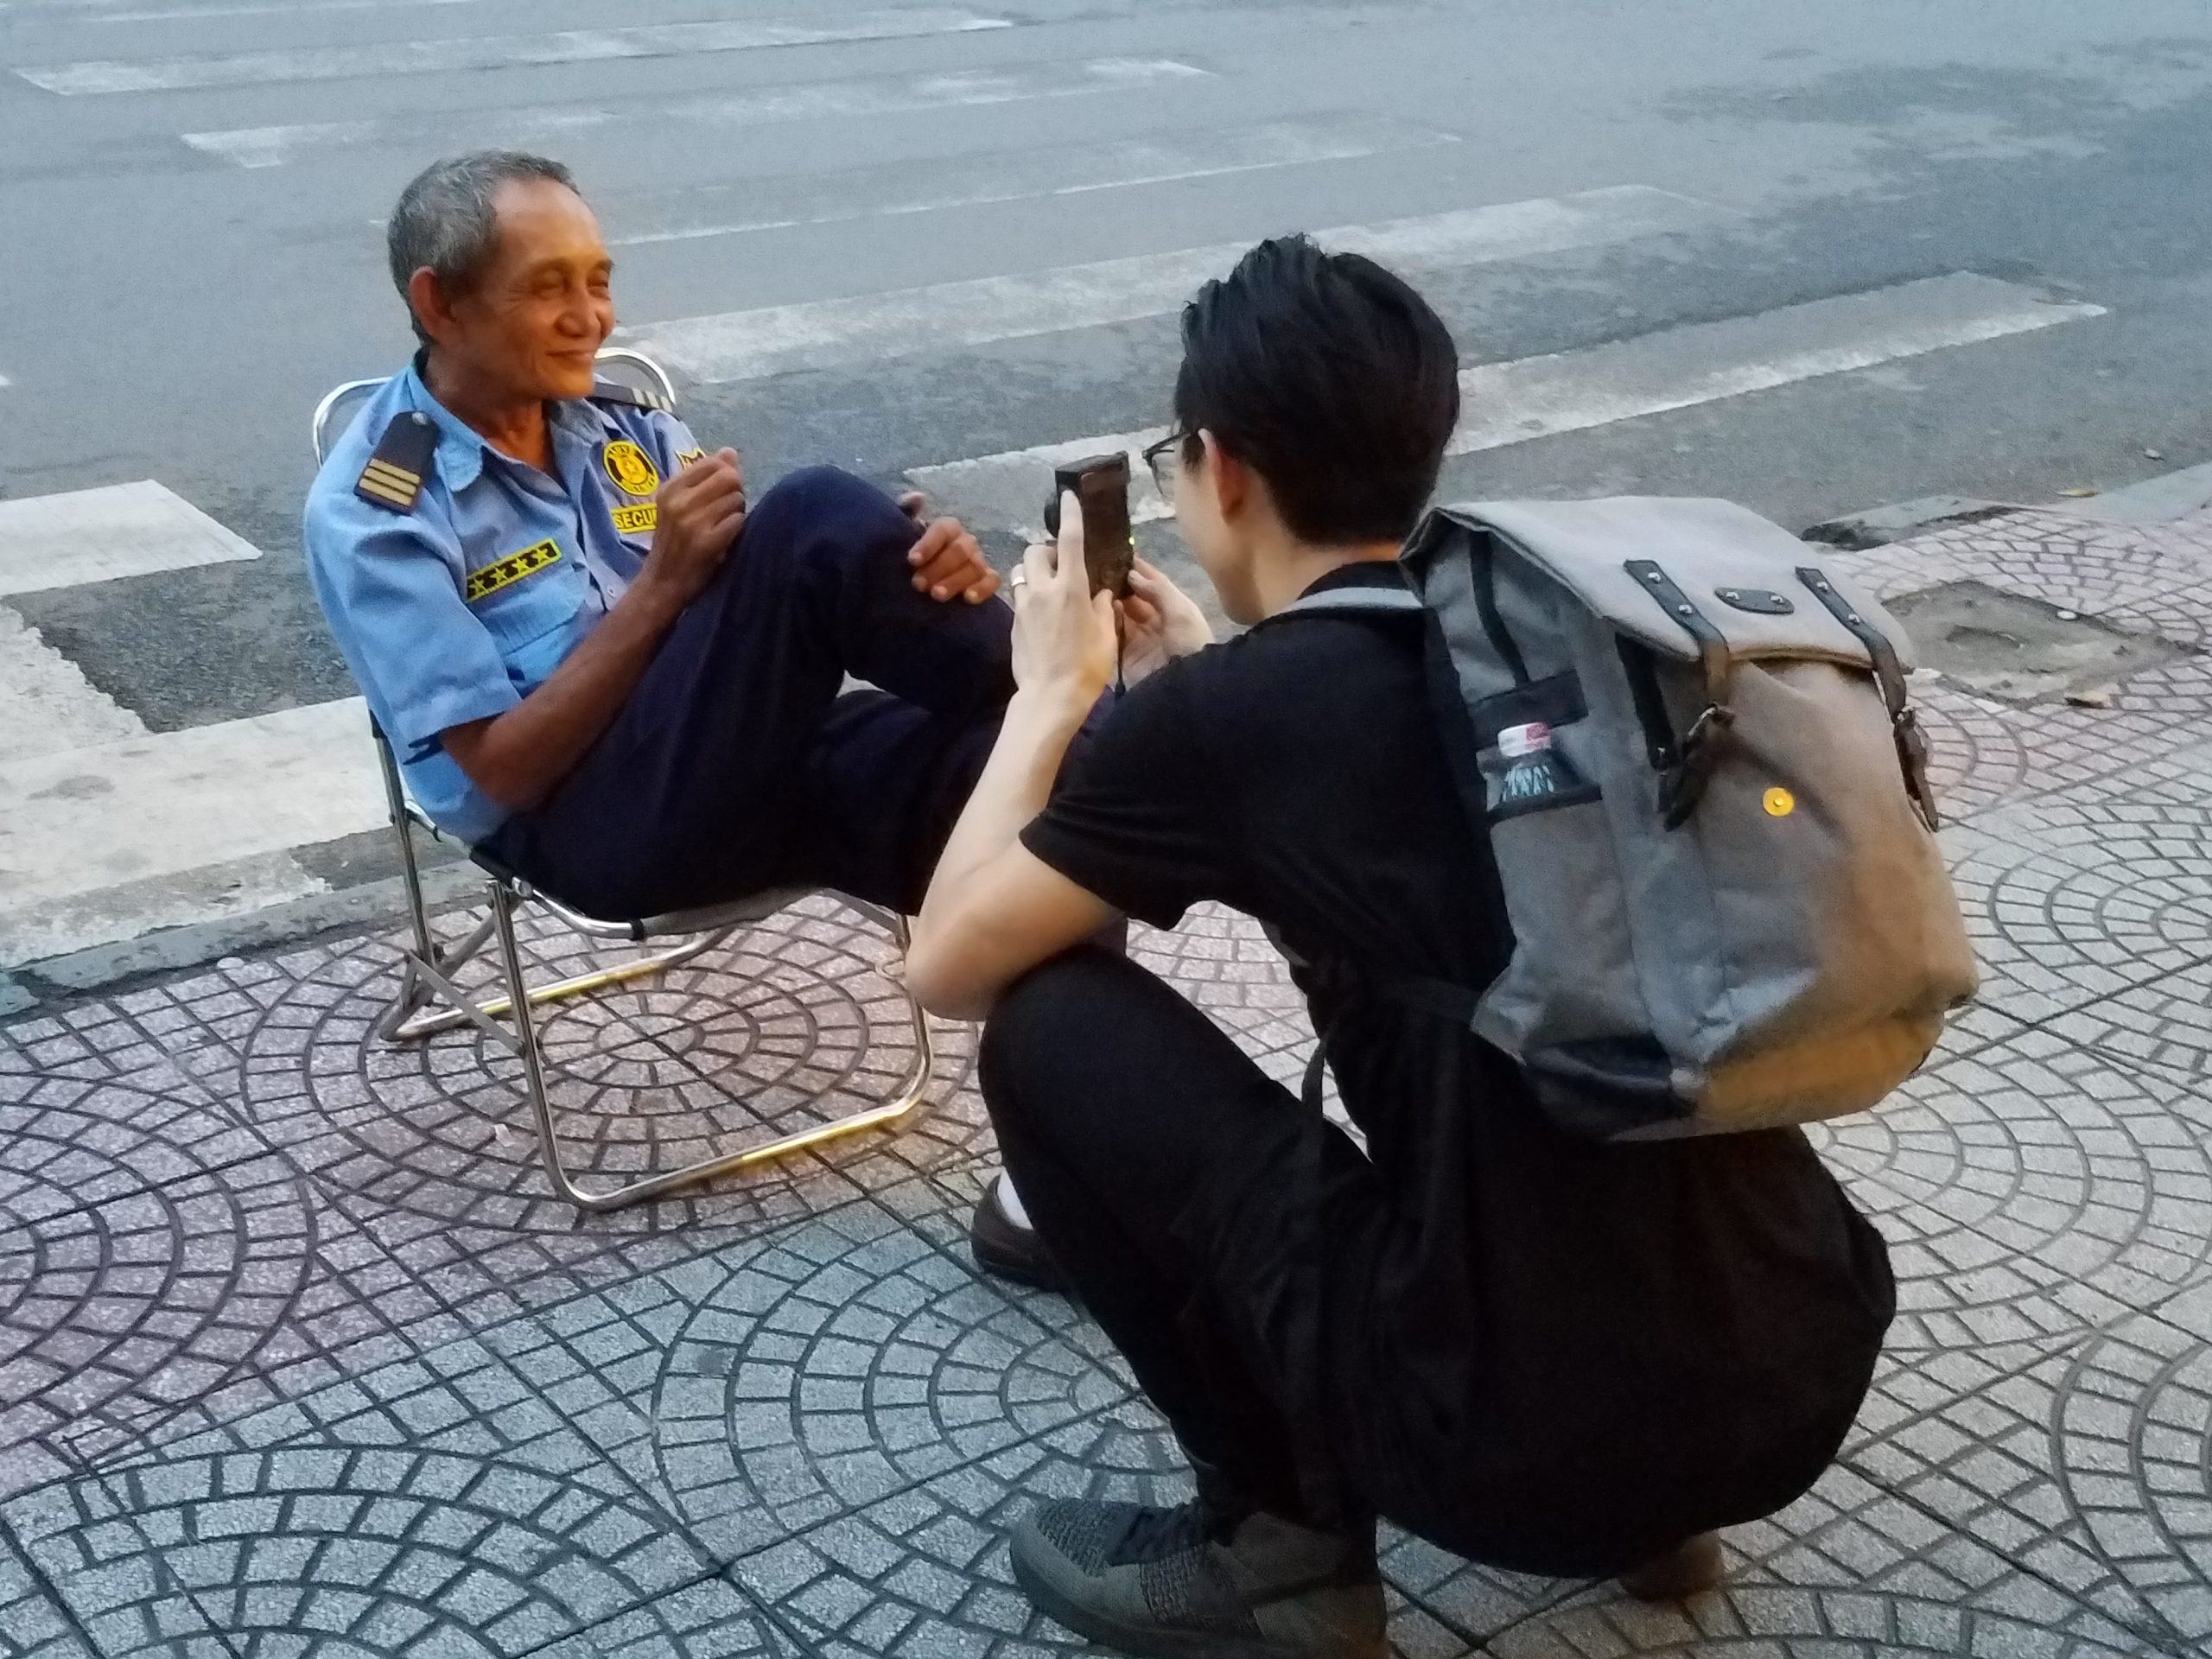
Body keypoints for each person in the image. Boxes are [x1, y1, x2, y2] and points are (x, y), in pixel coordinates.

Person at [906, 236, 1896, 1658]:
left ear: (1220, 468)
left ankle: (1281, 1546)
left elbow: (948, 960)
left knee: (1051, 1023)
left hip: (1512, 1449)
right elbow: (1390, 801)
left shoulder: (1242, 721)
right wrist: (1202, 678)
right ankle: (1658, 1520)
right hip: (1805, 1361)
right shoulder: (1543, 641)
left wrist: (1051, 694)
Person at [303, 150, 1053, 1281]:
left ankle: (1056, 1180)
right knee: (815, 518)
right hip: (589, 823)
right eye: (550, 286)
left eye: (600, 279)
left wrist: (915, 569)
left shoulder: (614, 427)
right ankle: (1095, 699)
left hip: (729, 764)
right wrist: (670, 581)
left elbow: (758, 592)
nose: (591, 316)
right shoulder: (379, 510)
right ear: (440, 303)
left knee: (1023, 777)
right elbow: (499, 772)